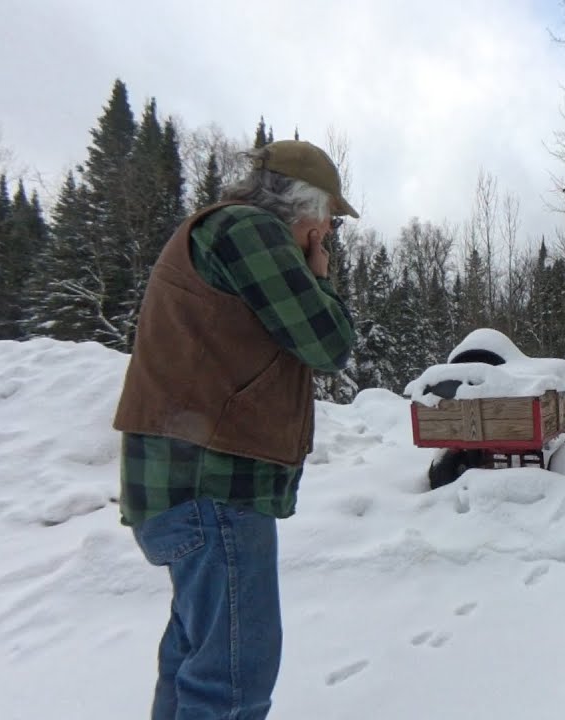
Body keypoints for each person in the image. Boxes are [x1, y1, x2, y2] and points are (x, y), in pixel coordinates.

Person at [112, 139, 358, 719]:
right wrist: (319, 277)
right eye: (328, 220)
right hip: (212, 486)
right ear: (308, 208)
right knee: (232, 681)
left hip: (182, 487)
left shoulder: (219, 233)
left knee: (194, 662)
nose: (328, 232)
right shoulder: (250, 230)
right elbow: (328, 343)